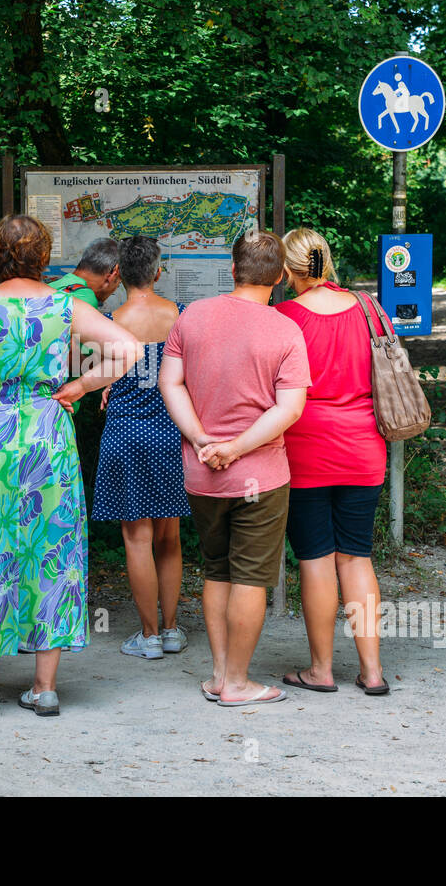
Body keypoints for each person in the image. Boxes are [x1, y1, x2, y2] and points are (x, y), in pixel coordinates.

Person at [0, 215, 138, 718]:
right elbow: (129, 349)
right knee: (53, 549)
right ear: (44, 256)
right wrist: (81, 386)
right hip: (49, 436)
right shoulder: (65, 305)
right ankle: (44, 689)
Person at [159, 229, 309, 707]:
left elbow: (170, 384)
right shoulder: (285, 329)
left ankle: (220, 674)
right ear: (280, 277)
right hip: (259, 476)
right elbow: (289, 409)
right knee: (250, 578)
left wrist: (202, 439)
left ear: (232, 270)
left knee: (217, 571)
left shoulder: (192, 316)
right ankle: (239, 684)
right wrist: (237, 448)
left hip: (202, 472)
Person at [276, 228, 392, 696]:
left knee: (315, 559)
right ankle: (372, 672)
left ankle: (321, 670)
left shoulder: (285, 317)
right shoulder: (370, 309)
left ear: (287, 271)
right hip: (364, 449)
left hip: (305, 451)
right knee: (357, 557)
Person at [92, 236, 190, 660]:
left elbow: (100, 375)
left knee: (137, 539)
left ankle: (148, 636)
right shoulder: (180, 316)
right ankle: (170, 630)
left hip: (125, 435)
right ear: (157, 272)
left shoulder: (109, 321)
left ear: (118, 275)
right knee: (170, 537)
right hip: (169, 434)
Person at [49, 237, 122, 309]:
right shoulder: (86, 300)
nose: (114, 290)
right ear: (114, 274)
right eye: (118, 284)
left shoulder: (50, 287)